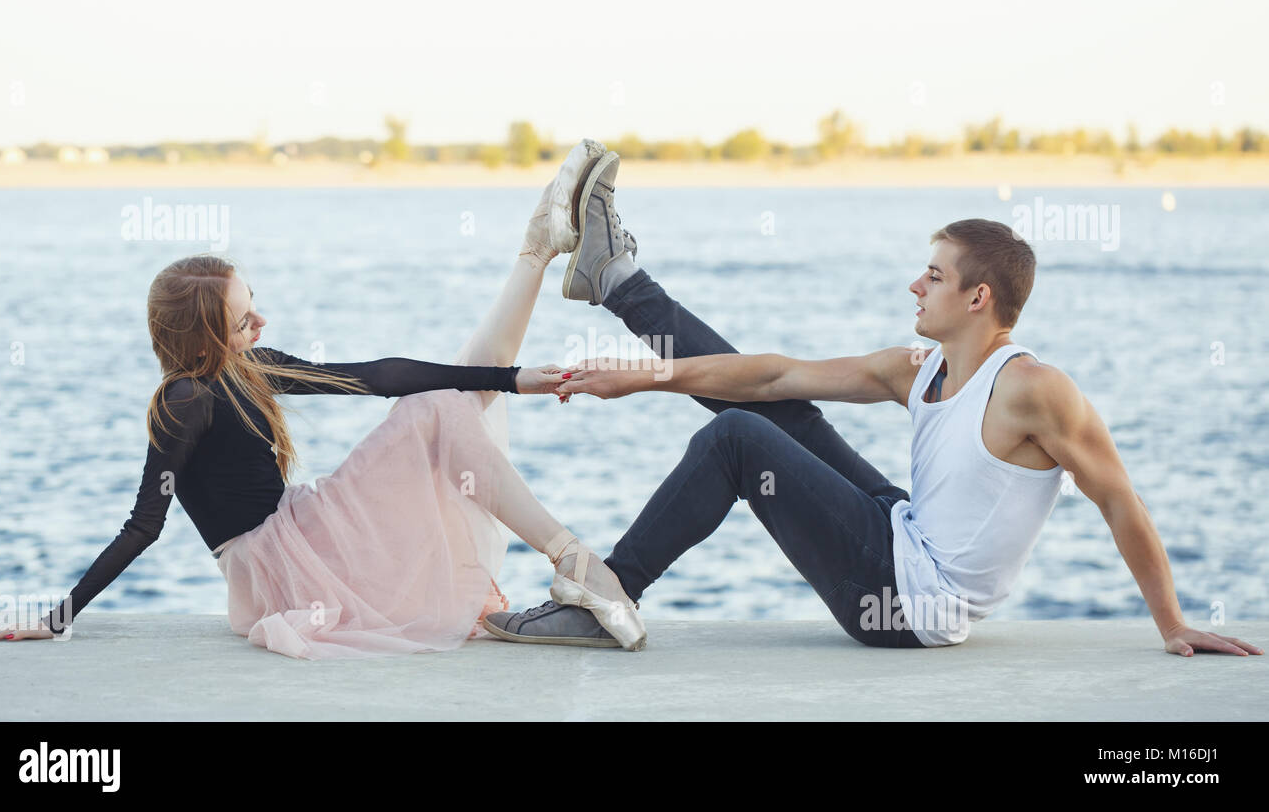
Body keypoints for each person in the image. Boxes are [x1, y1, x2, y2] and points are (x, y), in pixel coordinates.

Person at [484, 149, 1263, 658]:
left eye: (933, 275)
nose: (915, 285)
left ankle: (605, 596)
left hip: (907, 603)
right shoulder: (915, 368)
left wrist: (1172, 623)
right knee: (777, 416)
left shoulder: (1035, 389)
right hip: (902, 534)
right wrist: (641, 374)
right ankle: (616, 279)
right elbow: (773, 375)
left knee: (741, 441)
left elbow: (1119, 497)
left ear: (977, 296)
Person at [0, 141, 647, 658]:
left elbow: (374, 376)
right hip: (283, 573)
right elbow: (143, 524)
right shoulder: (184, 402)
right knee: (440, 407)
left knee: (450, 389)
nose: (260, 326)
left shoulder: (246, 369)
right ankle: (575, 561)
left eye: (253, 307)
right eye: (243, 321)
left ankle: (539, 247)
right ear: (204, 339)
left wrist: (512, 380)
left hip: (307, 533)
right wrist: (58, 616)